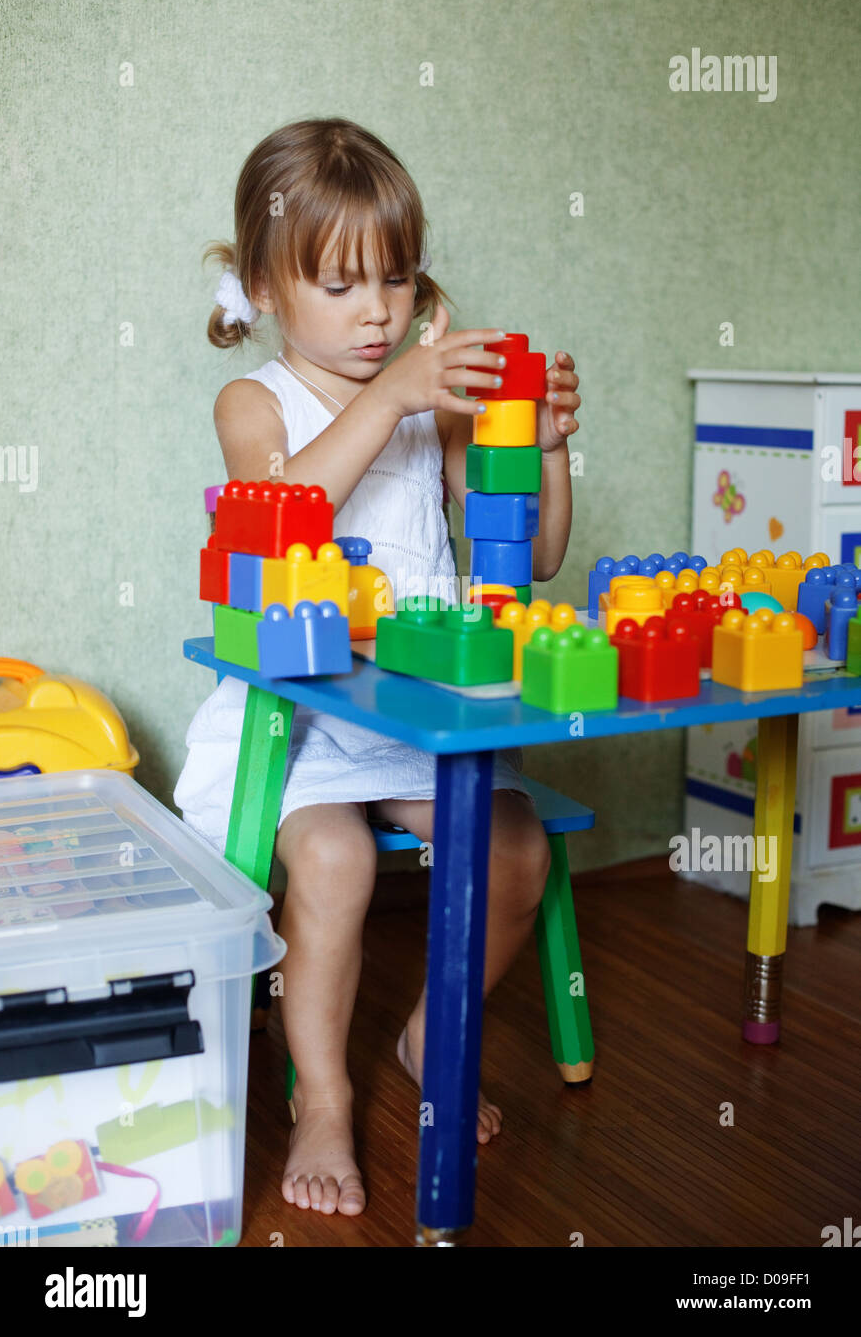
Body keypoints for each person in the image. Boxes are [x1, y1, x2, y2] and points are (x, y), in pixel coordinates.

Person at [174, 117, 582, 1218]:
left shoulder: (429, 411)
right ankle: (321, 1095)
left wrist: (538, 446)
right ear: (264, 286)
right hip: (294, 721)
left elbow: (533, 557)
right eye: (343, 285)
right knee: (337, 860)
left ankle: (423, 1033)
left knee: (511, 847)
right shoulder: (254, 404)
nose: (377, 313)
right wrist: (393, 395)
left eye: (395, 282)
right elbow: (283, 515)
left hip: (410, 711)